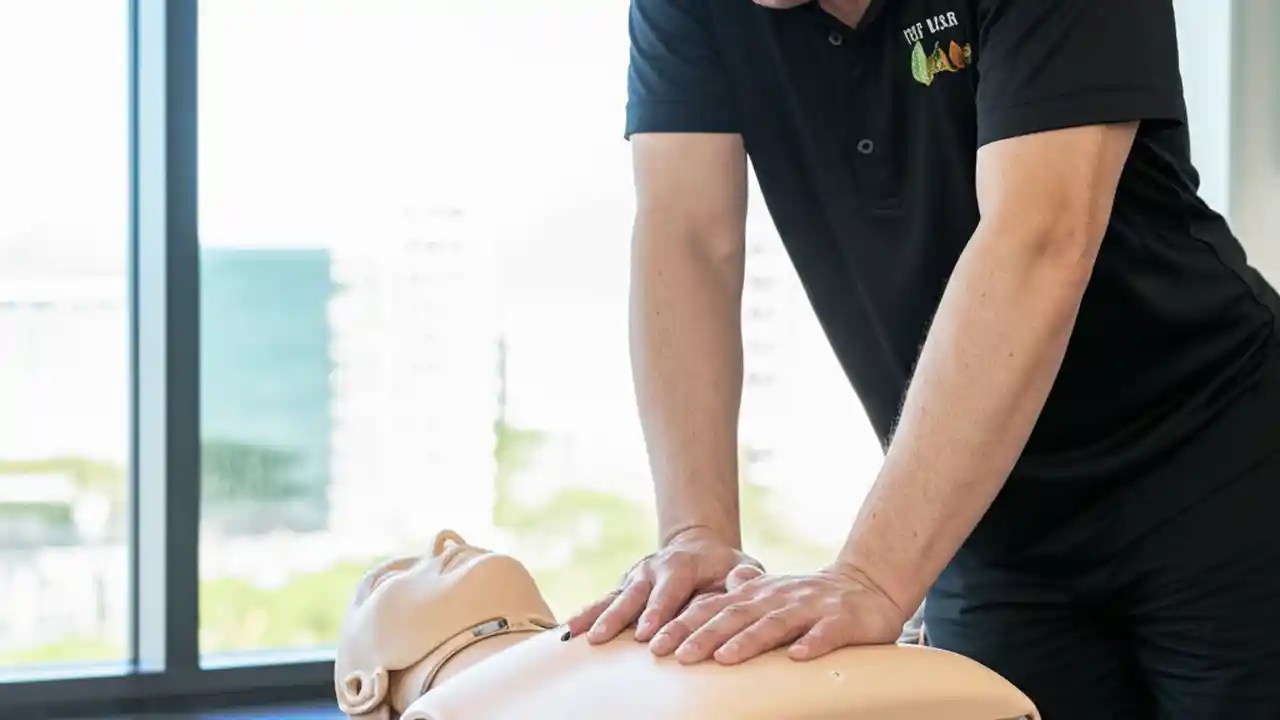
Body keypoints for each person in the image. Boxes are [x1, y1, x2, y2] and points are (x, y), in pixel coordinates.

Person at [564, 1, 1280, 717]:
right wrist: (698, 535)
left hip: (1218, 470)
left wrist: (872, 577)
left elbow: (1039, 238)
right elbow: (686, 237)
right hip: (985, 521)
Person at [333, 529, 1039, 720]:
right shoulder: (457, 710)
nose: (446, 539)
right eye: (388, 578)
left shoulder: (645, 629)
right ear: (365, 688)